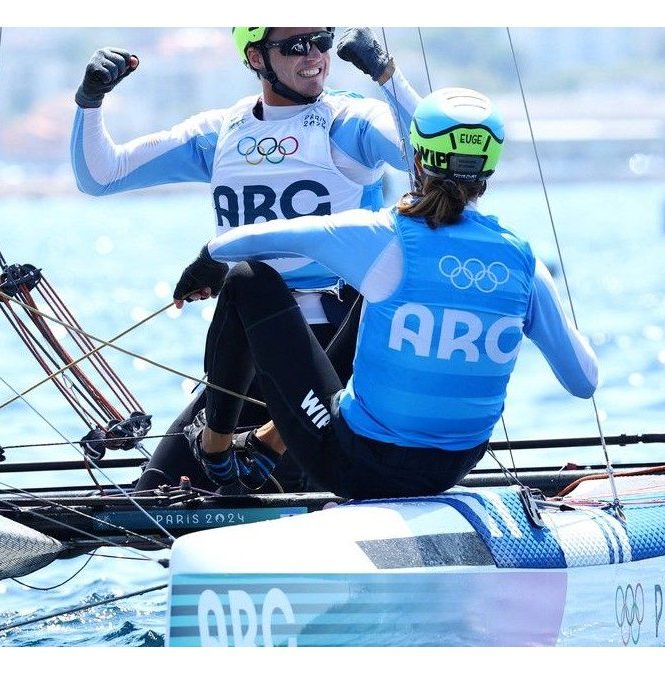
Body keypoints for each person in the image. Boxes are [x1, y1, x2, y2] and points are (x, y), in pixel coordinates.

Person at [173, 87, 599, 499]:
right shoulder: (526, 261)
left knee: (248, 279)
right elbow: (584, 382)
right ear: (489, 168)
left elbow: (252, 242)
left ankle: (215, 452)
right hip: (454, 468)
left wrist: (210, 256)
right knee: (379, 298)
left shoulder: (380, 235)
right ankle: (265, 448)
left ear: (414, 157)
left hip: (356, 465)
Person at [70, 28, 423, 493]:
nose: (314, 54)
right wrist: (89, 100)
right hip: (248, 348)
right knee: (154, 493)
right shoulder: (221, 133)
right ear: (256, 57)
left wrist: (386, 74)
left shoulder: (351, 123)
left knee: (281, 494)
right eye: (295, 45)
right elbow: (100, 174)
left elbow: (431, 156)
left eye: (321, 39)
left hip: (335, 352)